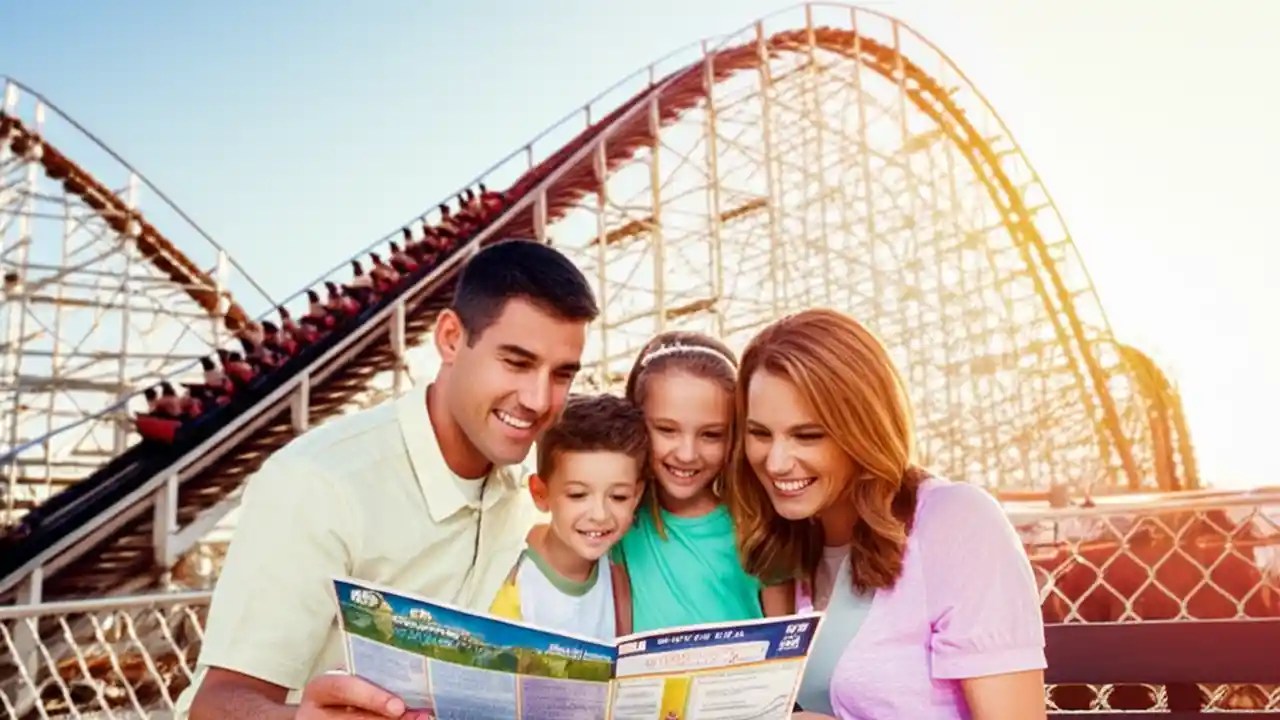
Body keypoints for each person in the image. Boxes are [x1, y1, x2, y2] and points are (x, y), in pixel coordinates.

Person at [180, 239, 599, 719]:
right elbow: (210, 705)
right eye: (516, 362)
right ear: (449, 339)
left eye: (562, 374)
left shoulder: (529, 491)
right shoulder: (319, 485)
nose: (539, 399)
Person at [724, 308, 1047, 720]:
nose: (776, 461)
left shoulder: (958, 522)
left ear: (863, 431)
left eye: (808, 436)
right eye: (759, 434)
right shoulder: (789, 546)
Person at [613, 331, 792, 633]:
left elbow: (785, 643)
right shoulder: (618, 521)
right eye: (667, 430)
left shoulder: (757, 526)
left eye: (711, 435)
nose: (687, 454)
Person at [489, 393, 646, 639]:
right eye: (577, 495)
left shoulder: (617, 579)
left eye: (618, 497)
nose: (599, 514)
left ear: (637, 496)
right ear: (541, 494)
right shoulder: (510, 577)